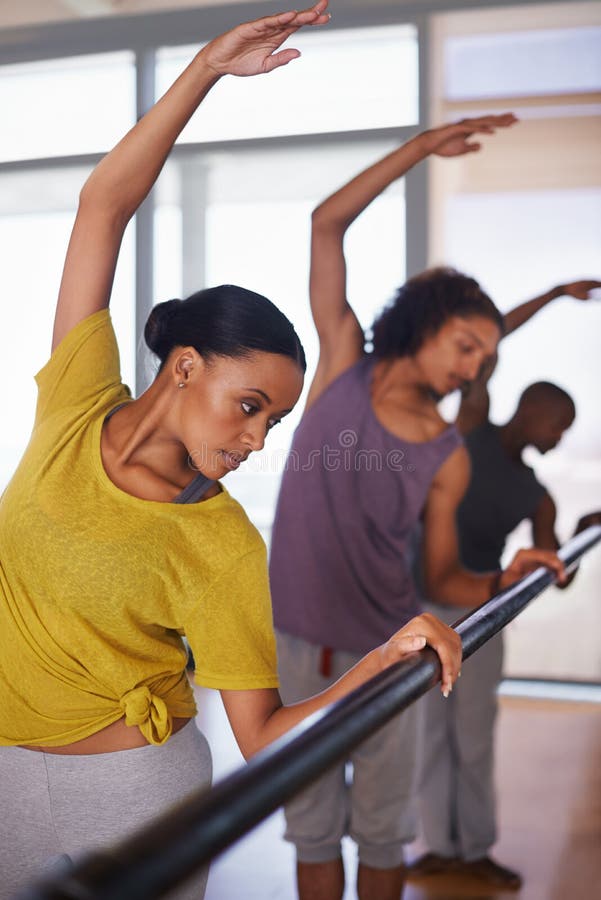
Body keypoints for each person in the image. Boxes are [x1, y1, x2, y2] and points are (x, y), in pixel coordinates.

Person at [0, 6, 465, 899]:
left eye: (272, 423)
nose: (255, 440)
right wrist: (206, 70)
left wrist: (379, 661)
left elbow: (263, 737)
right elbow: (104, 204)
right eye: (249, 407)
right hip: (7, 773)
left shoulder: (221, 542)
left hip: (137, 791)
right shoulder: (74, 400)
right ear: (183, 367)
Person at [268, 122, 566, 900]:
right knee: (310, 831)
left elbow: (440, 579)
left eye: (484, 358)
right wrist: (422, 147)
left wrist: (506, 576)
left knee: (382, 833)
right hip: (297, 640)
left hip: (389, 645)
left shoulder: (446, 451)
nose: (473, 367)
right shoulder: (342, 360)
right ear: (425, 322)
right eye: (465, 346)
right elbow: (326, 223)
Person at [407, 280, 601, 891]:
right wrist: (555, 294)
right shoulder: (471, 427)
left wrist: (580, 535)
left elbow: (554, 577)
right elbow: (489, 347)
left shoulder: (538, 495)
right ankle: (439, 847)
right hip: (422, 603)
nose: (559, 438)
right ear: (530, 409)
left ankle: (473, 849)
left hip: (480, 612)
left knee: (473, 734)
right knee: (429, 732)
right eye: (559, 425)